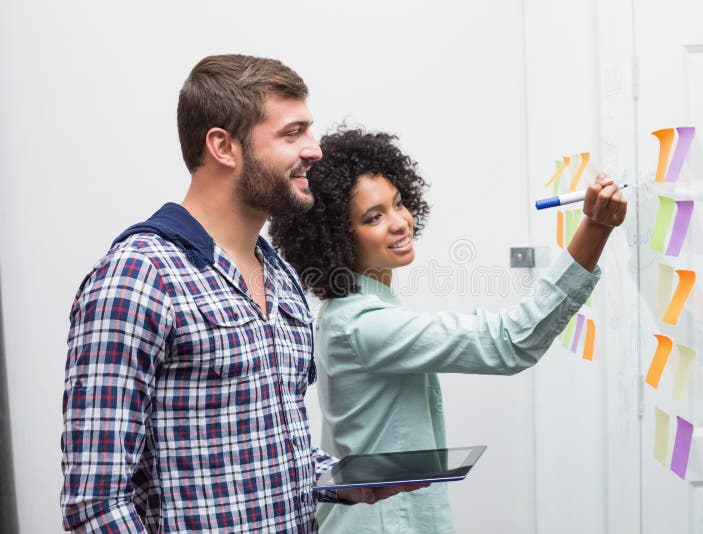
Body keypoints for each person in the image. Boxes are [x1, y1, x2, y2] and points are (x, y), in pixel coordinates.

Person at [60, 55, 423, 534]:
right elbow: (96, 505)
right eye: (292, 134)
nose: (314, 150)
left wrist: (345, 478)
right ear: (223, 147)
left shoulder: (280, 278)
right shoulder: (139, 275)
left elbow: (267, 457)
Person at [269, 127, 627, 533]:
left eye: (398, 203)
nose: (400, 222)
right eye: (374, 217)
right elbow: (511, 341)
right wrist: (595, 227)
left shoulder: (350, 313)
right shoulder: (363, 325)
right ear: (336, 237)